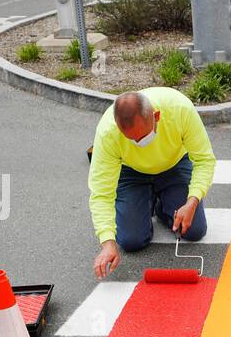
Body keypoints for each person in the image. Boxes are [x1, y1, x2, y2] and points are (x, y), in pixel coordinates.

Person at [88, 88, 214, 279]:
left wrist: (192, 200)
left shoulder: (180, 109)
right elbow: (101, 193)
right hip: (131, 173)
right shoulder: (108, 132)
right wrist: (107, 242)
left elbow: (205, 160)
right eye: (131, 139)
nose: (139, 143)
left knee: (194, 231)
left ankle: (161, 204)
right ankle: (145, 199)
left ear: (157, 116)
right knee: (131, 241)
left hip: (174, 164)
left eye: (143, 136)